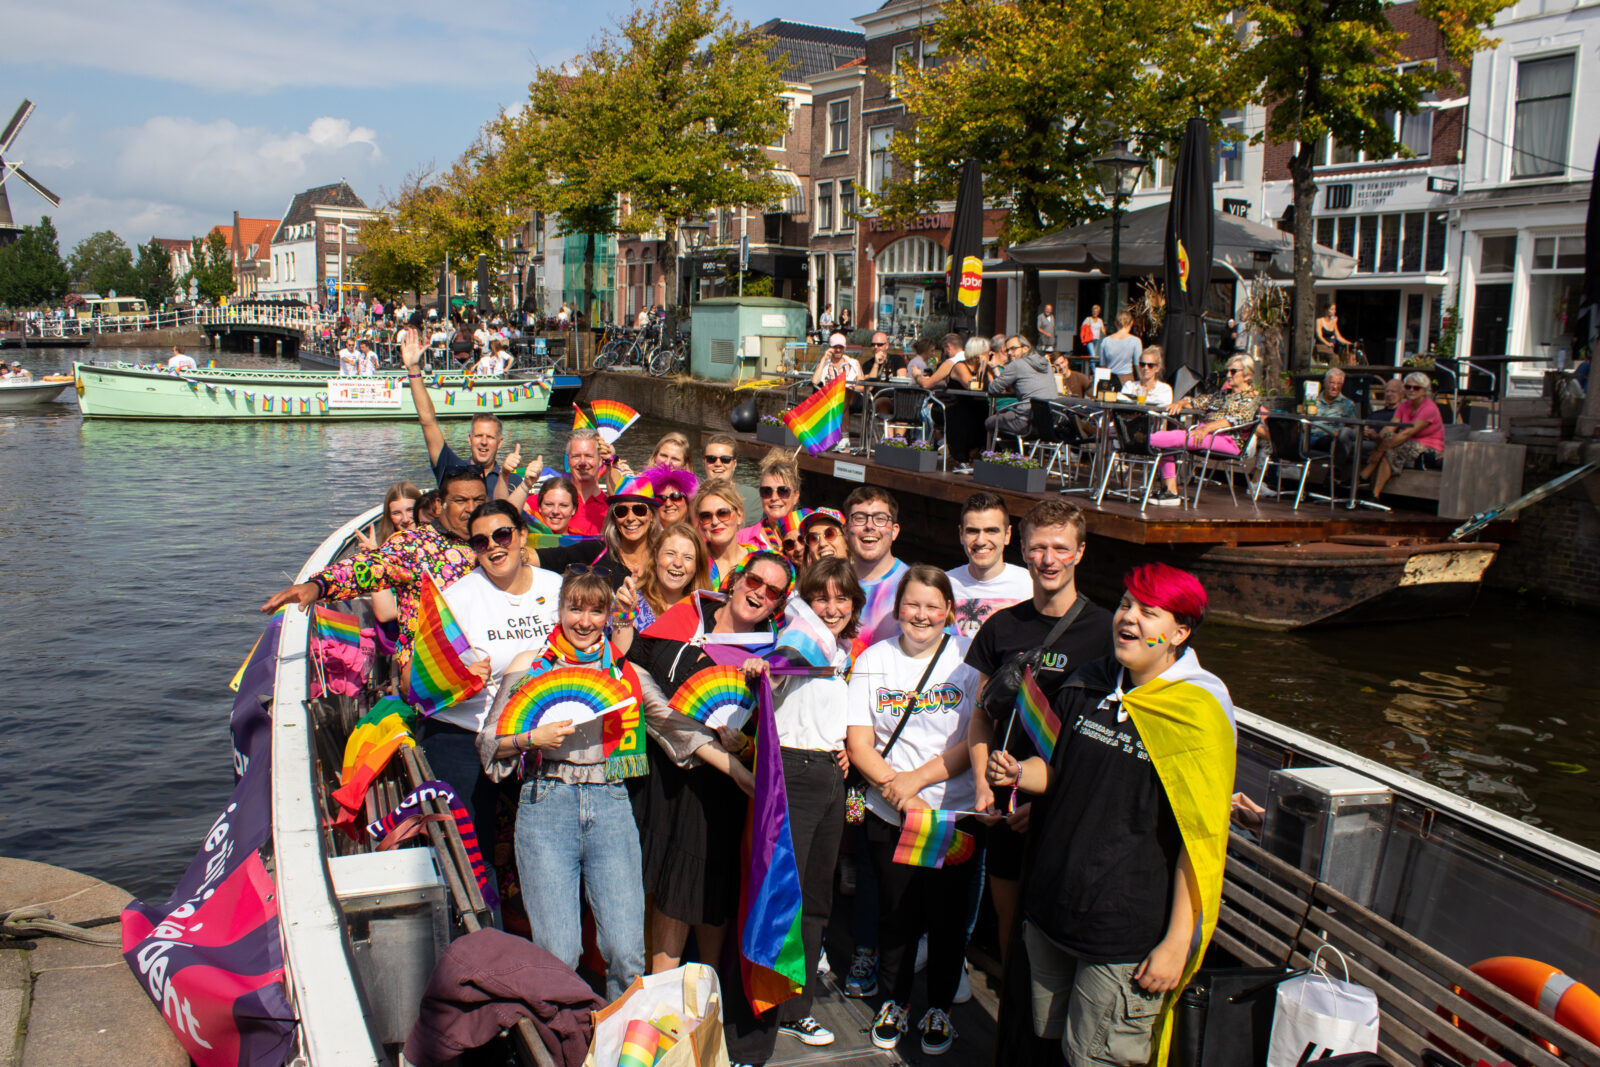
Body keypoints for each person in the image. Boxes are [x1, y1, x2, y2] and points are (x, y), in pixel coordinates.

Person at [987, 564, 1235, 1067]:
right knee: (1045, 1045)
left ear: (1179, 633)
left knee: (1095, 1057)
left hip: (1123, 931)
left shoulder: (1198, 711)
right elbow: (1061, 773)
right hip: (1053, 908)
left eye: (1149, 611)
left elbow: (1200, 838)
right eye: (1125, 605)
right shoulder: (1090, 682)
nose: (1129, 618)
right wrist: (1018, 773)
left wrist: (1175, 942)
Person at [481, 568, 645, 1001]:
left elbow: (668, 719)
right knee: (560, 952)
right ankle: (565, 1047)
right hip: (546, 802)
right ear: (560, 610)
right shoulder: (529, 666)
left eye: (596, 611)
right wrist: (529, 739)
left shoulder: (622, 669)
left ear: (608, 615)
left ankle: (623, 1046)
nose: (585, 621)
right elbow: (487, 742)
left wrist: (741, 768)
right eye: (575, 609)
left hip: (609, 800)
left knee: (626, 951)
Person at [723, 558, 863, 1061]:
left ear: (854, 605)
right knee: (778, 894)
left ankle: (794, 1007)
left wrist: (844, 746)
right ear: (805, 600)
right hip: (794, 773)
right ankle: (751, 1029)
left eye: (842, 598)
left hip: (830, 773)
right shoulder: (798, 637)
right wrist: (765, 668)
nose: (832, 607)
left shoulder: (840, 651)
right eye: (822, 597)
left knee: (816, 900)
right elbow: (779, 667)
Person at [965, 499, 1114, 965]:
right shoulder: (1002, 626)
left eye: (1060, 548)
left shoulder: (1108, 632)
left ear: (1080, 552)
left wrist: (1050, 799)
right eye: (1038, 548)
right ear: (1023, 551)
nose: (1049, 560)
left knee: (1057, 927)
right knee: (1010, 927)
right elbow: (981, 716)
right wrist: (981, 787)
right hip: (1007, 799)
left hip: (1069, 804)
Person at [630, 553, 793, 978]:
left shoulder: (769, 655)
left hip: (716, 791)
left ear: (778, 605)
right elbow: (638, 672)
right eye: (754, 580)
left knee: (704, 887)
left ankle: (707, 989)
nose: (759, 592)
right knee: (662, 884)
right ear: (737, 579)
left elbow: (766, 739)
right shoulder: (684, 618)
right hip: (660, 774)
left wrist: (741, 750)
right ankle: (660, 992)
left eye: (772, 591)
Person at [847, 566, 983, 1056]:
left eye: (932, 606)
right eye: (912, 605)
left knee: (947, 917)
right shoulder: (873, 659)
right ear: (898, 609)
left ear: (949, 611)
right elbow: (860, 742)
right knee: (896, 913)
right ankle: (894, 1001)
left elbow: (976, 740)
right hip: (890, 812)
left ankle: (940, 1007)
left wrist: (918, 783)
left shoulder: (969, 660)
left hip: (953, 814)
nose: (921, 615)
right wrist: (894, 788)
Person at [432, 501, 564, 900]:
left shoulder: (555, 587)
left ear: (522, 536)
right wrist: (457, 676)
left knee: (550, 845)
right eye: (480, 540)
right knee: (475, 848)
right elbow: (415, 680)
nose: (494, 545)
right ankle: (488, 940)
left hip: (544, 731)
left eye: (502, 534)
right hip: (468, 732)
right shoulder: (457, 598)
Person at [260, 468, 489, 674]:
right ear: (440, 504)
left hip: (487, 663)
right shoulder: (413, 545)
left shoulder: (493, 541)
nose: (471, 508)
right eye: (461, 500)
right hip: (431, 676)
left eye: (478, 500)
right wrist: (317, 586)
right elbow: (366, 567)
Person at [397, 329, 516, 498]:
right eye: (478, 436)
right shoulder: (451, 468)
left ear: (500, 442)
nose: (483, 442)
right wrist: (413, 368)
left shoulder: (513, 480)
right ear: (469, 439)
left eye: (489, 437)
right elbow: (427, 421)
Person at [1152, 355, 1261, 507]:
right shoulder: (1222, 395)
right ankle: (1171, 492)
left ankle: (1144, 439)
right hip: (1206, 435)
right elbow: (1197, 401)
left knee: (1168, 438)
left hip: (1229, 441)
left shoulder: (1252, 399)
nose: (1228, 375)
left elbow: (1234, 420)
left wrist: (1206, 429)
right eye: (1227, 371)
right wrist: (1181, 403)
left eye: (1233, 371)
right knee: (1167, 441)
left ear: (1247, 375)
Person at [946, 492, 1031, 638]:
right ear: (961, 534)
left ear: (1007, 535)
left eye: (991, 531)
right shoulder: (944, 584)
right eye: (972, 531)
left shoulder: (1029, 584)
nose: (980, 540)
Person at [1361, 371, 1444, 499]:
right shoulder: (1404, 406)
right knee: (1390, 442)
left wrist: (1378, 450)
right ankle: (1373, 494)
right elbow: (1390, 428)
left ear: (1424, 390)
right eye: (1408, 387)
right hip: (1407, 443)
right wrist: (1377, 438)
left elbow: (1407, 433)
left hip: (1429, 447)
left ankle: (1364, 478)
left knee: (1391, 448)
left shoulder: (1429, 408)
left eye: (1416, 388)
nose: (1411, 390)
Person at [636, 521, 713, 631]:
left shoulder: (705, 612)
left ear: (697, 566)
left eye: (688, 557)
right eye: (670, 553)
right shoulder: (632, 602)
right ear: (656, 555)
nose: (678, 563)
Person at [986, 335, 1060, 438]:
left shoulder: (1017, 364)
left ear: (1026, 348)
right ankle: (1016, 452)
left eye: (1013, 349)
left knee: (989, 422)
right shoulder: (1046, 364)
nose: (1009, 353)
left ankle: (1008, 453)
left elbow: (993, 389)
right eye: (1007, 350)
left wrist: (993, 368)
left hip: (1024, 421)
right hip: (1049, 422)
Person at [739, 450, 802, 553]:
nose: (774, 497)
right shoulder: (742, 538)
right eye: (766, 491)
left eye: (783, 490)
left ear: (795, 496)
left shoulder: (808, 535)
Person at [694, 478, 751, 586]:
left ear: (739, 515)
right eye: (706, 516)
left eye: (723, 513)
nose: (715, 522)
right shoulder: (694, 562)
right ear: (700, 522)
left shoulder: (757, 560)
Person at [1307, 367, 1359, 466]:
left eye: (1339, 383)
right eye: (1332, 382)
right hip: (1310, 436)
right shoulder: (1312, 400)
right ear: (1325, 383)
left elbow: (1352, 426)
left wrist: (1340, 432)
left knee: (1337, 443)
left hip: (1331, 438)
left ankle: (1335, 472)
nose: (1335, 387)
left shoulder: (1347, 404)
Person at [564, 428, 610, 536]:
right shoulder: (552, 503)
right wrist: (526, 484)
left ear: (600, 461)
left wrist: (612, 461)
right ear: (568, 461)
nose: (583, 462)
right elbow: (517, 514)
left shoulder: (611, 507)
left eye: (589, 456)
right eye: (576, 456)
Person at [643, 464, 697, 528]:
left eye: (675, 497)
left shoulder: (702, 534)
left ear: (687, 501)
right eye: (661, 498)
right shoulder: (646, 536)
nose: (668, 504)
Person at [1098, 311, 1141, 387]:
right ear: (1131, 322)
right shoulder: (1135, 341)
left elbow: (1102, 365)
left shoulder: (1106, 341)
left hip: (1109, 379)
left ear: (1115, 323)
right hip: (1127, 380)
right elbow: (1138, 365)